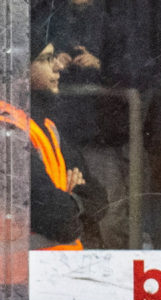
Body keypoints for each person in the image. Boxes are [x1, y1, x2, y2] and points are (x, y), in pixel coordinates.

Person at [0, 32, 107, 250]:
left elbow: (100, 201)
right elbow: (60, 221)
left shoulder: (46, 127)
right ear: (18, 70)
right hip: (23, 278)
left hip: (56, 272)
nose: (58, 66)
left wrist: (70, 201)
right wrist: (75, 200)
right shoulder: (6, 129)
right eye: (45, 59)